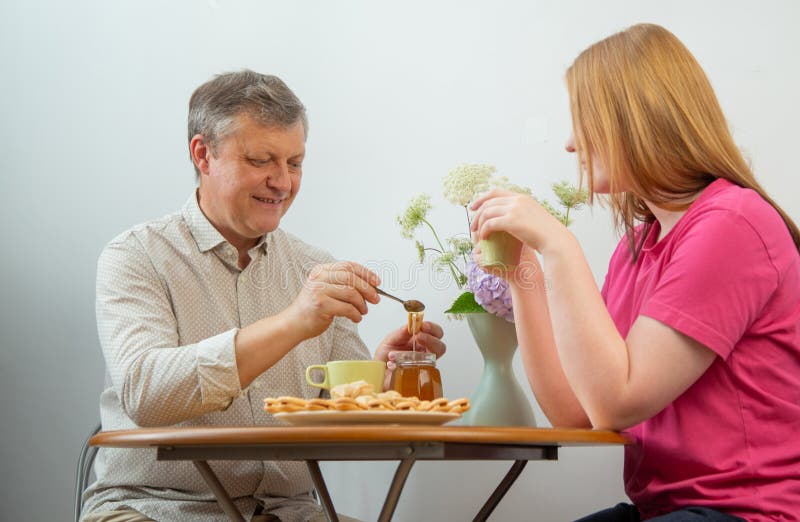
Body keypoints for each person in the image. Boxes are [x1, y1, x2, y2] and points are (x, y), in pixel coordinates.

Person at [82, 70, 445, 522]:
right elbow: (146, 394)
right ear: (203, 154)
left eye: (294, 163)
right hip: (156, 508)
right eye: (261, 160)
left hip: (288, 513)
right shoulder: (136, 256)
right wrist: (294, 321)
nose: (282, 182)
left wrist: (381, 380)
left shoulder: (314, 270)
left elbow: (336, 411)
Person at [470, 23, 800, 521]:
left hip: (747, 513)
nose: (569, 144)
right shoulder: (637, 248)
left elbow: (614, 405)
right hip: (665, 510)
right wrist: (524, 271)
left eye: (584, 121)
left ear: (636, 120)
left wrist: (559, 243)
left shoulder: (732, 223)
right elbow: (575, 412)